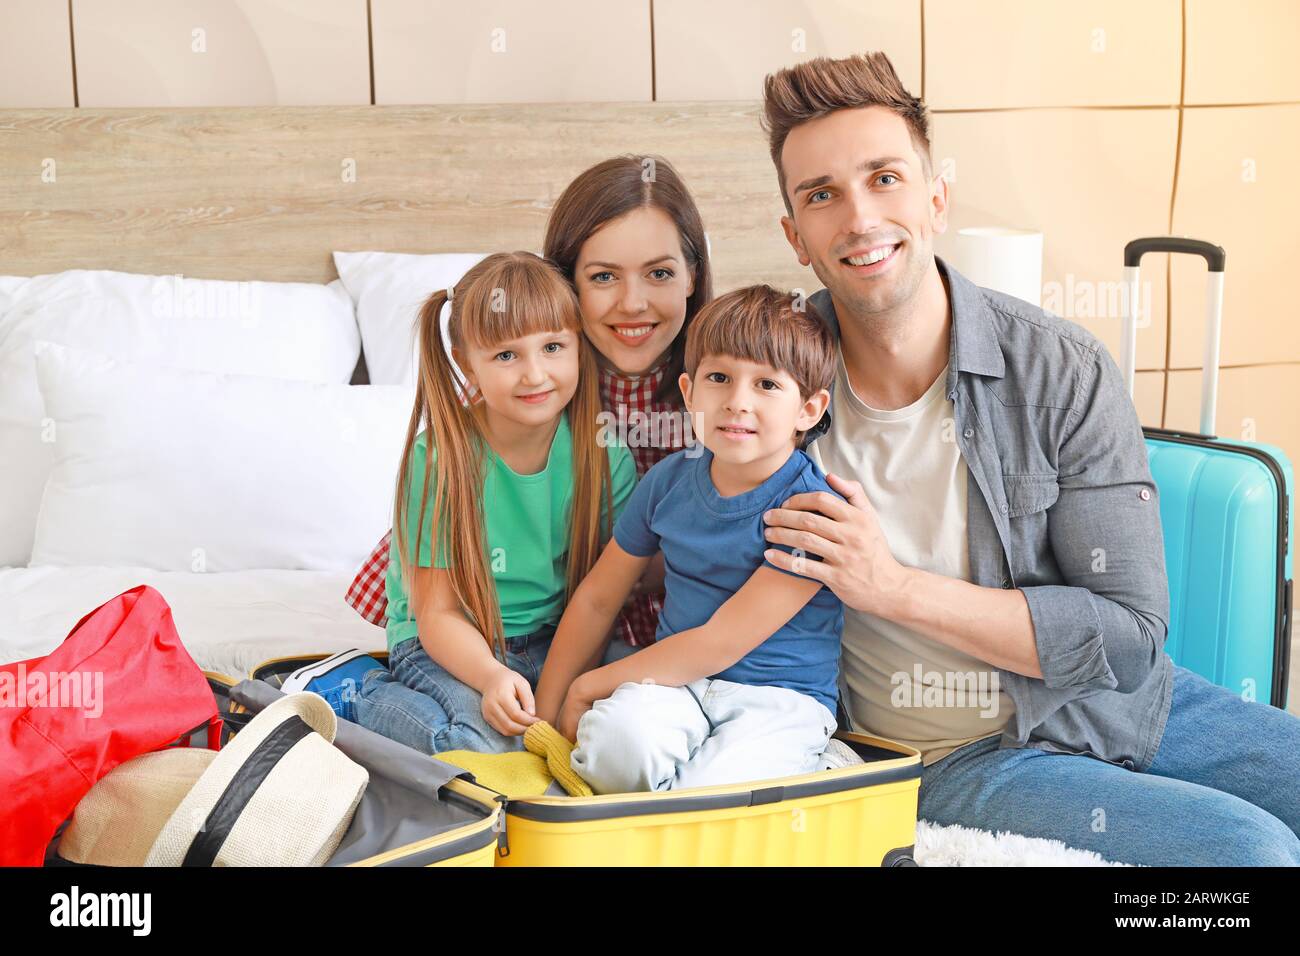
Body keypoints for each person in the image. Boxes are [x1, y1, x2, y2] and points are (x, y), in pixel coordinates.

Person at [756, 51, 1300, 865]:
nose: (860, 218)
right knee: (1247, 854)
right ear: (796, 237)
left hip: (1115, 701)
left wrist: (895, 589)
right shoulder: (768, 384)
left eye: (885, 178)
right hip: (950, 755)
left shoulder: (1060, 368)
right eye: (822, 195)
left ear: (936, 198)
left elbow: (1128, 638)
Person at [345, 155, 713, 657]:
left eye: (659, 273)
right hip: (516, 627)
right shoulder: (529, 387)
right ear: (564, 287)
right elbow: (450, 565)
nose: (632, 303)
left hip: (676, 616)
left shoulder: (731, 383)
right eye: (604, 277)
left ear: (692, 275)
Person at [535, 285, 842, 793]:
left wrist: (589, 685)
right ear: (689, 392)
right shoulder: (668, 481)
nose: (737, 402)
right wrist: (545, 721)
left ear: (808, 409)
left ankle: (818, 762)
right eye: (719, 378)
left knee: (711, 792)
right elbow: (598, 597)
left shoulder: (811, 509)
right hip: (675, 684)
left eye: (766, 385)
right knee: (613, 747)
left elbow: (719, 642)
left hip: (779, 700)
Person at [352, 252, 636, 755]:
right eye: (506, 355)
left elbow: (603, 593)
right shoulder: (438, 459)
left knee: (627, 720)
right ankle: (357, 698)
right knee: (482, 747)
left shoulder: (603, 453)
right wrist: (489, 678)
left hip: (550, 638)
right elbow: (437, 611)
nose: (534, 375)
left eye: (552, 347)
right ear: (467, 364)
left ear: (579, 348)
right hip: (446, 643)